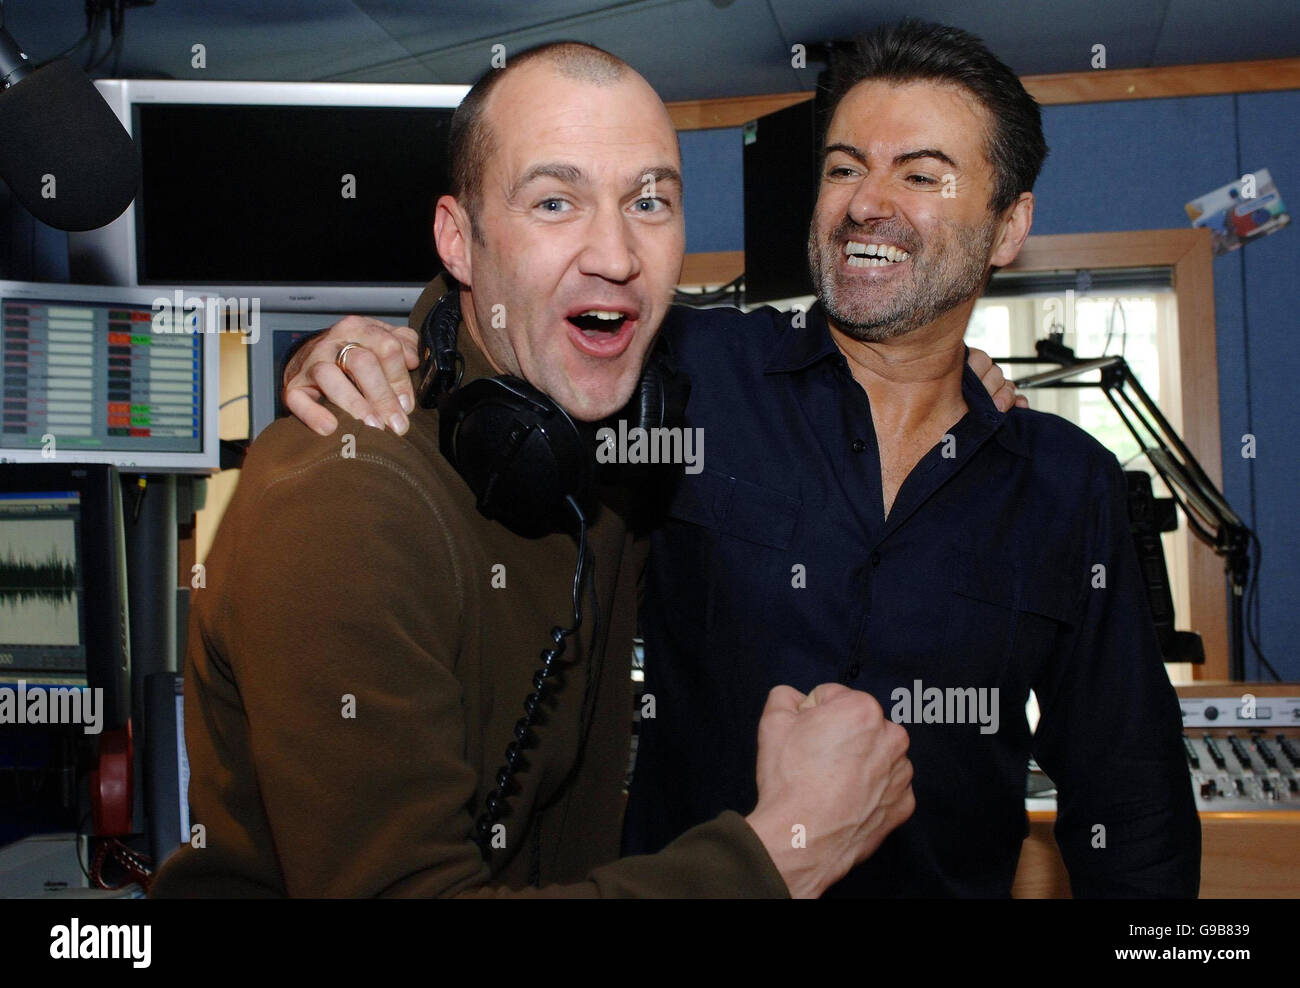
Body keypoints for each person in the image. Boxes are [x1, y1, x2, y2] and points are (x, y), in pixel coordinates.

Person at [286, 21, 1200, 898]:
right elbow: (529, 326)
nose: (867, 201)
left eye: (921, 174)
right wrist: (389, 344)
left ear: (1009, 227)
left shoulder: (1065, 484)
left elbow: (1132, 798)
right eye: (845, 167)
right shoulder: (688, 373)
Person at [150, 41, 918, 899]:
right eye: (555, 201)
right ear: (460, 241)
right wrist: (778, 855)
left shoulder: (599, 446)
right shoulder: (345, 495)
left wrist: (957, 380)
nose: (617, 254)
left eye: (650, 200)